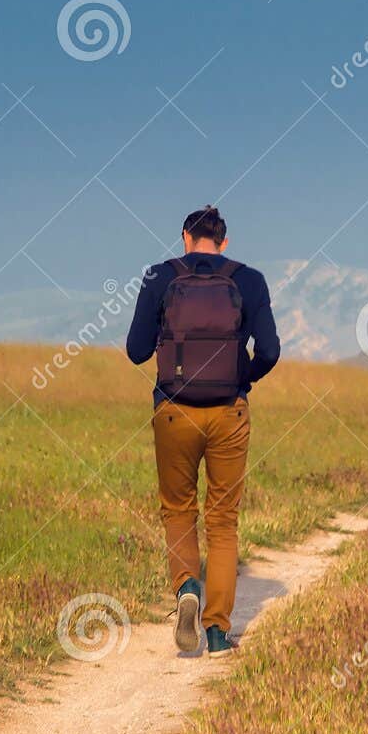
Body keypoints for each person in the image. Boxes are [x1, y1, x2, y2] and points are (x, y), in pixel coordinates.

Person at [125, 206, 280, 654]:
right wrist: (242, 377)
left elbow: (136, 351)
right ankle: (216, 632)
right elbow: (270, 349)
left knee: (178, 510)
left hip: (174, 412)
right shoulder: (249, 279)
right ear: (224, 242)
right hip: (230, 411)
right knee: (223, 521)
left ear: (184, 238)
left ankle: (187, 584)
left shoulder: (159, 277)